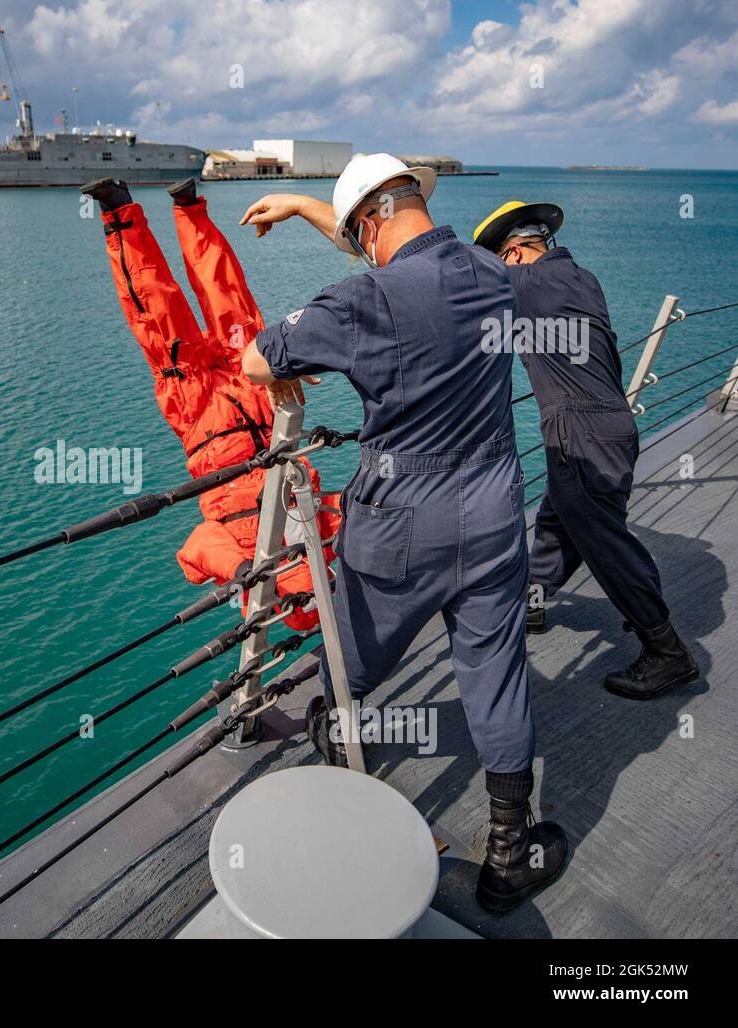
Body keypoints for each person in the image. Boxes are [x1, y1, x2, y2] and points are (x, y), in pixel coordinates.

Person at [239, 154, 567, 913]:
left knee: (352, 658)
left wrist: (312, 235)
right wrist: (308, 206)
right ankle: (509, 855)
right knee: (496, 674)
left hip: (398, 522)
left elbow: (259, 358)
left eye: (360, 235)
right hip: (490, 511)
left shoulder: (365, 299)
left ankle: (335, 744)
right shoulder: (494, 274)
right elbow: (404, 253)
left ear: (373, 222)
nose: (361, 249)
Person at [80, 175, 341, 632]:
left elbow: (196, 549)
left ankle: (119, 213)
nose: (305, 588)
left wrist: (244, 572)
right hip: (259, 402)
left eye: (300, 598)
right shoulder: (325, 541)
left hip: (202, 414)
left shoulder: (252, 563)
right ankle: (187, 207)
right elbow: (352, 507)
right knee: (225, 293)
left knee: (157, 312)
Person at [473, 201, 699, 700]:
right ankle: (531, 600)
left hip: (581, 430)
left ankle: (667, 652)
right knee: (560, 520)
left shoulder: (523, 285)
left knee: (604, 541)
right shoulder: (580, 277)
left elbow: (443, 284)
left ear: (510, 254)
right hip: (610, 423)